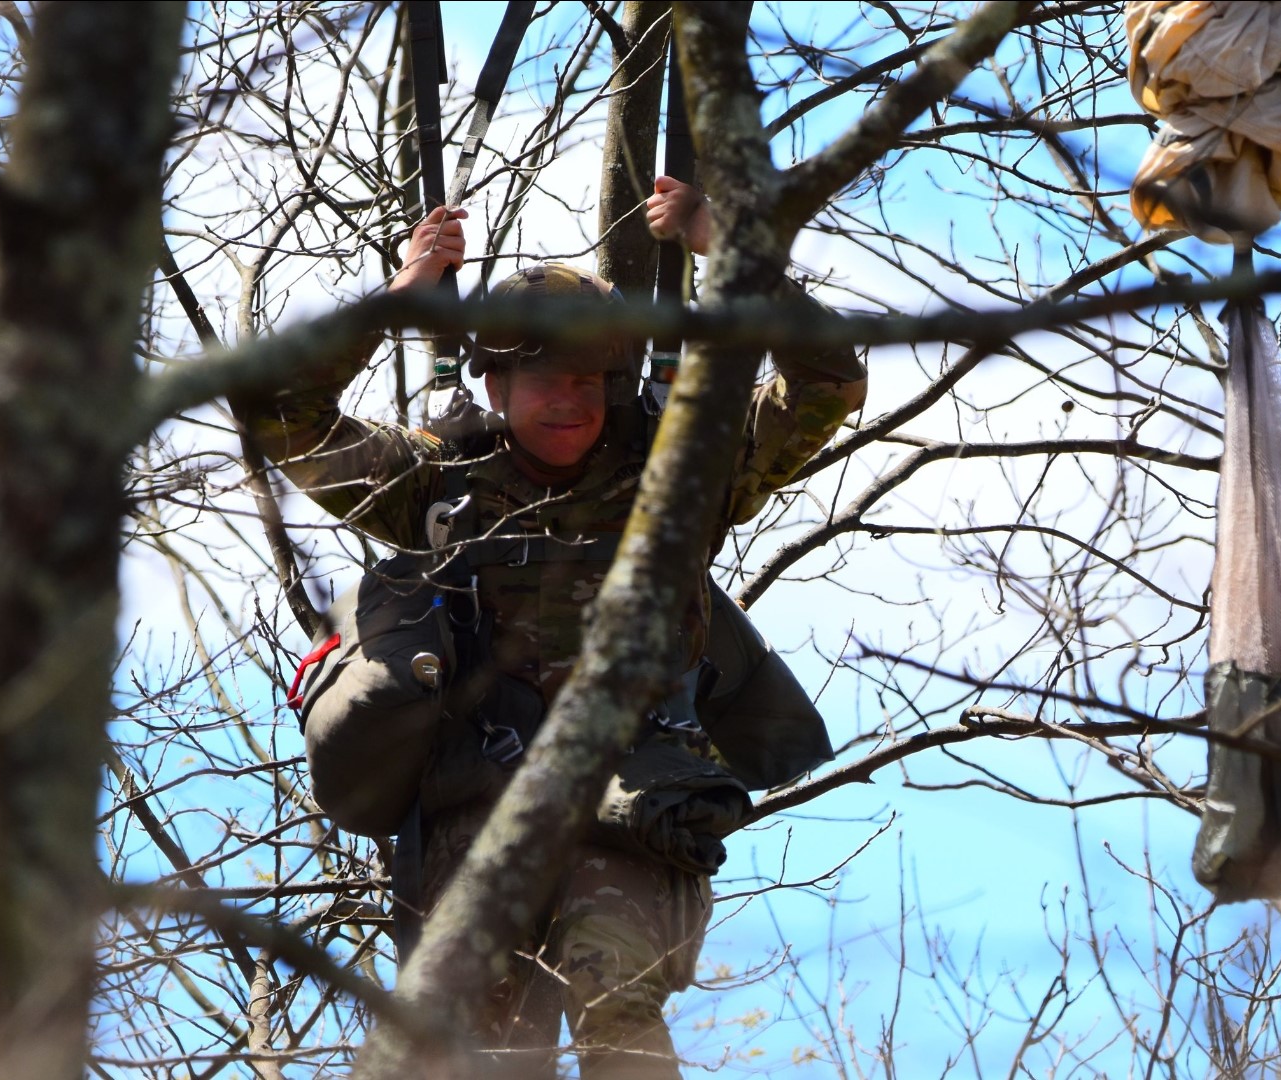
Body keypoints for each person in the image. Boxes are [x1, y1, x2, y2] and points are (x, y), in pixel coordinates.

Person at [240, 177, 866, 1078]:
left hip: (633, 799)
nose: (568, 399)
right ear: (492, 382)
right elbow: (282, 419)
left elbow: (830, 380)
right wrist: (392, 302)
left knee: (617, 1002)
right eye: (542, 377)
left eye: (587, 379)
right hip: (475, 814)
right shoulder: (437, 479)